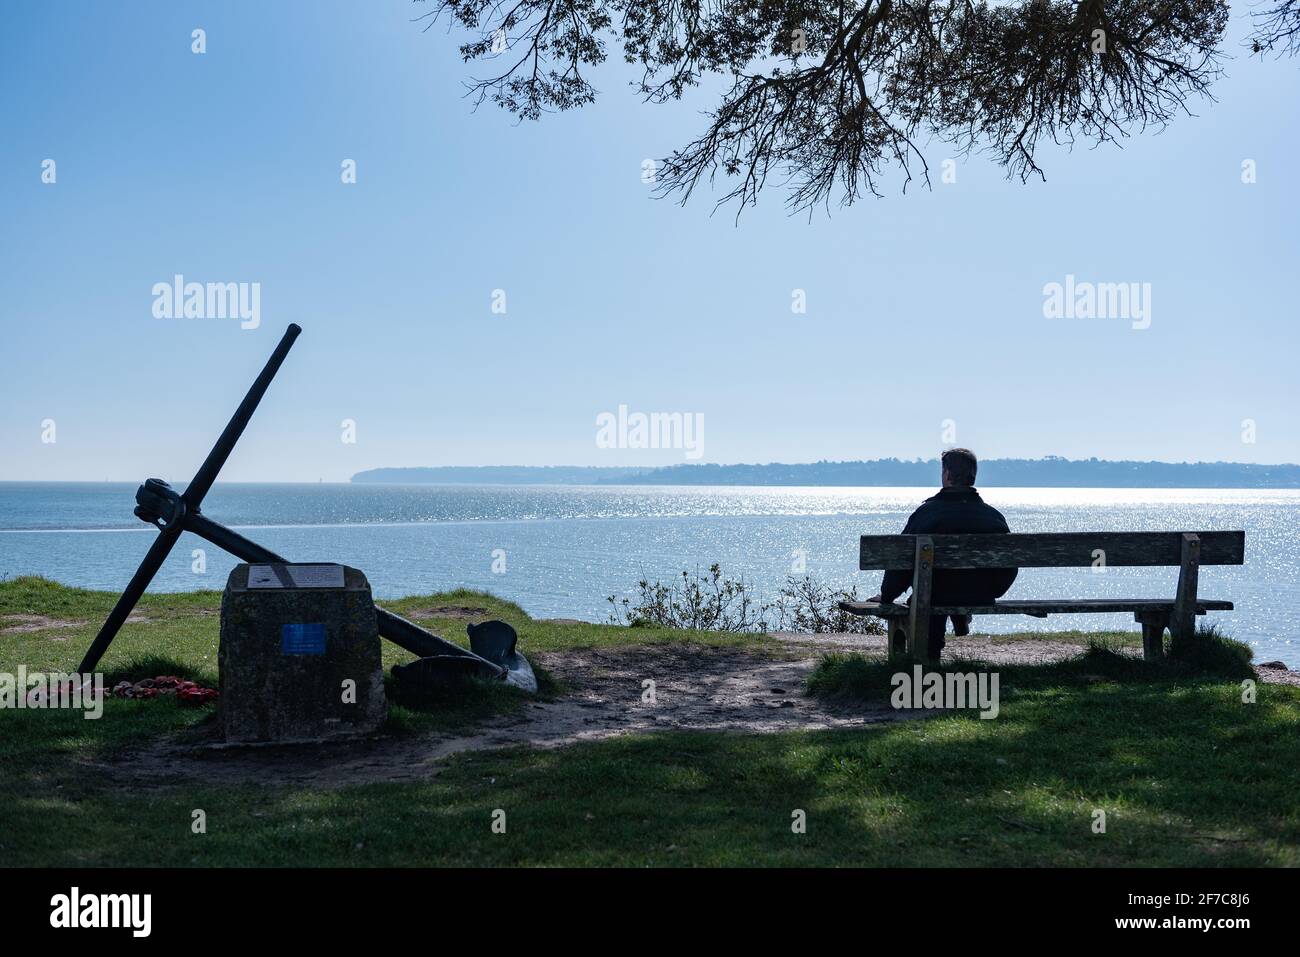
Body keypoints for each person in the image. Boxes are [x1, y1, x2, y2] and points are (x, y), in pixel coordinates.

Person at [866, 448, 1017, 661]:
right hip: (980, 593)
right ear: (973, 476)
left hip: (934, 593)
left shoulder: (927, 514)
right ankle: (959, 616)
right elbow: (1010, 565)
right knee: (938, 588)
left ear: (946, 475)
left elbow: (900, 563)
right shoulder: (993, 517)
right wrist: (993, 589)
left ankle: (929, 656)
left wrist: (888, 596)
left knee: (928, 593)